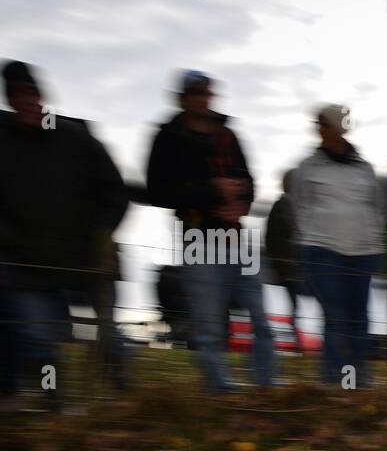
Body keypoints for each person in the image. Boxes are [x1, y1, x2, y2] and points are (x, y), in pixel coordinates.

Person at [0, 61, 128, 404]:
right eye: (17, 96)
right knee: (37, 335)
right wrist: (10, 244)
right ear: (10, 101)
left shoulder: (75, 137)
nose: (26, 102)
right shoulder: (3, 143)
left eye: (31, 94)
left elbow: (114, 190)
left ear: (41, 97)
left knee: (109, 335)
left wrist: (103, 231)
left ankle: (124, 397)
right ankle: (53, 399)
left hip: (87, 258)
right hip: (27, 264)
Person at [146, 70, 272, 392]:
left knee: (260, 315)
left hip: (237, 237)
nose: (203, 98)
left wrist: (242, 203)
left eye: (207, 93)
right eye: (195, 93)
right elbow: (158, 191)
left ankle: (265, 386)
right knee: (208, 323)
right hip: (195, 237)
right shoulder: (167, 137)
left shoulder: (227, 134)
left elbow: (249, 180)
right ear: (182, 98)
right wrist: (211, 190)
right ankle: (219, 390)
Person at [291, 105, 386, 388]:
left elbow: (376, 208)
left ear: (338, 128)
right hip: (322, 251)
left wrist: (373, 240)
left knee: (359, 317)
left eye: (327, 124)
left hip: (362, 252)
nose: (322, 129)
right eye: (319, 124)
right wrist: (311, 237)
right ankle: (336, 382)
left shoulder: (365, 168)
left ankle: (358, 379)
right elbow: (299, 207)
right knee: (335, 315)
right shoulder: (306, 169)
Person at [263, 171, 303, 347]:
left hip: (292, 267)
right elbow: (274, 237)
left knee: (297, 304)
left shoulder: (292, 205)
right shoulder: (284, 206)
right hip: (289, 268)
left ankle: (296, 338)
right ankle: (295, 339)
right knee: (295, 304)